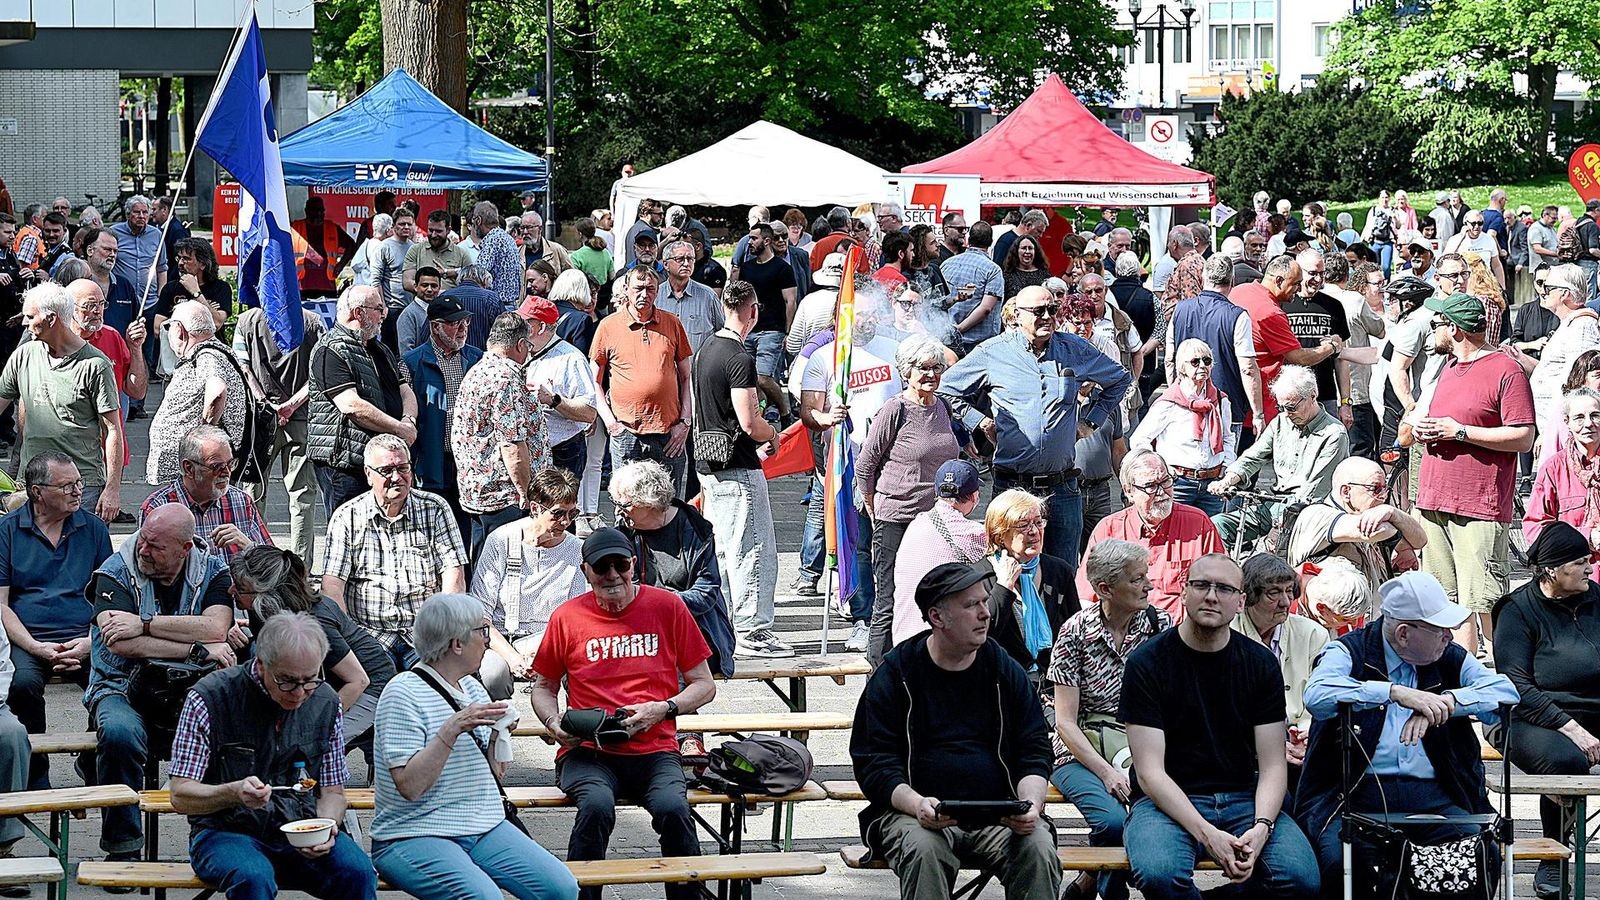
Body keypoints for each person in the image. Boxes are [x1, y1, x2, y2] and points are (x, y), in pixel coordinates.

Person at [1299, 572, 1518, 899]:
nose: (1449, 635)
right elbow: (1317, 695)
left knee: (1477, 848)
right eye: (1439, 629)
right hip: (1353, 792)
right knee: (1337, 859)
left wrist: (1447, 702)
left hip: (1437, 792)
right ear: (1403, 633)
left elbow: (1506, 693)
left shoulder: (1450, 656)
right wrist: (1394, 693)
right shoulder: (1350, 650)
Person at [850, 562, 1060, 900]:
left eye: (984, 601)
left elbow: (1034, 750)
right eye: (970, 605)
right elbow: (874, 764)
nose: (985, 613)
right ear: (937, 617)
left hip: (999, 814)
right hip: (915, 815)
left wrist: (1030, 804)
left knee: (1036, 844)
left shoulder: (1004, 668)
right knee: (924, 847)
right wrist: (917, 803)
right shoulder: (897, 673)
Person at [1119, 553, 1321, 899]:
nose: (1212, 596)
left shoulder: (1260, 664)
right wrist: (1207, 834)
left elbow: (1274, 765)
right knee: (1160, 875)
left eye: (1225, 589)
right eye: (1201, 585)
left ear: (1241, 601)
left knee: (1300, 879)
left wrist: (1262, 827)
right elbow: (1150, 774)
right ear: (1184, 592)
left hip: (1245, 796)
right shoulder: (1147, 662)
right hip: (1167, 801)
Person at [529, 528, 715, 900]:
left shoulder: (668, 606)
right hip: (587, 750)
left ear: (634, 565)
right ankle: (581, 896)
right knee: (596, 808)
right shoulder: (566, 617)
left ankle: (687, 897)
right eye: (602, 567)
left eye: (620, 564)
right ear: (586, 571)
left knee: (674, 809)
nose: (612, 574)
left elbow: (704, 685)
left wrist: (663, 708)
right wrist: (553, 725)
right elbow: (543, 686)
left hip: (654, 747)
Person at [370, 594, 578, 900]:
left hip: (481, 824)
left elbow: (496, 773)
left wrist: (499, 734)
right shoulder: (402, 693)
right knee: (484, 898)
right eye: (482, 632)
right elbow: (410, 787)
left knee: (561, 888)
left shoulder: (471, 687)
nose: (487, 641)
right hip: (413, 832)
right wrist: (451, 729)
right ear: (457, 644)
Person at [169, 613, 377, 900]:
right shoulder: (210, 698)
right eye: (288, 681)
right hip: (226, 832)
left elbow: (332, 792)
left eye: (310, 680)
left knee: (359, 871)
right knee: (253, 877)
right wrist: (231, 793)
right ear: (261, 664)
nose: (301, 693)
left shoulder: (326, 701)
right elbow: (180, 795)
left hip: (300, 828)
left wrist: (326, 827)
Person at [85, 504, 236, 866]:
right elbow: (119, 642)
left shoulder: (214, 570)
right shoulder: (115, 570)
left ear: (185, 549)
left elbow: (216, 626)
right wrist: (197, 648)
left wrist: (145, 623)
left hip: (191, 688)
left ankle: (219, 839)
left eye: (156, 546)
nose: (143, 550)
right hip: (119, 684)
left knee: (232, 731)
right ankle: (123, 848)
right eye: (144, 540)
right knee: (120, 733)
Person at [941, 286, 1132, 568]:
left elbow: (1119, 378)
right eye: (1038, 311)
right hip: (1012, 486)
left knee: (1062, 575)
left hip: (1063, 488)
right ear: (1017, 315)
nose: (1047, 317)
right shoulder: (994, 352)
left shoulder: (1074, 349)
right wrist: (979, 422)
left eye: (1052, 310)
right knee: (1011, 572)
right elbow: (947, 389)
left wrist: (1091, 420)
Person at [1410, 291, 1535, 656]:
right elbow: (1443, 420)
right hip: (1435, 497)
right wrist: (1425, 430)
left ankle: (1508, 674)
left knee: (1481, 598)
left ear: (1455, 329)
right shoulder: (1448, 368)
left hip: (1478, 504)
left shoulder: (1505, 370)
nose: (1433, 328)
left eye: (1438, 323)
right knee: (1444, 599)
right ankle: (1460, 675)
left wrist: (1459, 432)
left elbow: (1524, 437)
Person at [1049, 539, 1171, 900]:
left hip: (1140, 744)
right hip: (1080, 749)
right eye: (1137, 580)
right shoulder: (1076, 632)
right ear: (1105, 589)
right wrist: (1107, 772)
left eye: (1146, 576)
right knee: (1114, 821)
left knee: (1156, 817)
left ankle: (1088, 882)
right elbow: (1065, 722)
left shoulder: (1158, 624)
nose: (1149, 585)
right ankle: (1111, 892)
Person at [1492, 522, 1600, 897]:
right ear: (1553, 568)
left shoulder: (1596, 599)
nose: (1591, 568)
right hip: (1532, 717)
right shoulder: (1517, 611)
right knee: (1567, 760)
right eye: (1582, 562)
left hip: (1593, 711)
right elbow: (1515, 686)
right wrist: (1571, 727)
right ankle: (1554, 855)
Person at [0, 452, 112, 789]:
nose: (78, 491)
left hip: (84, 634)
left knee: (115, 681)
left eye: (79, 482)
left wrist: (89, 642)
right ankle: (35, 778)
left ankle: (94, 763)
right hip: (28, 636)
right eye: (66, 486)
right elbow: (1, 605)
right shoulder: (7, 531)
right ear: (37, 492)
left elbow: (110, 600)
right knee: (20, 685)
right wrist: (35, 646)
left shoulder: (93, 528)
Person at [690, 281, 787, 659]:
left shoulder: (705, 350)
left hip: (708, 462)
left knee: (725, 549)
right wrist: (774, 433)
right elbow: (750, 421)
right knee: (751, 547)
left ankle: (730, 624)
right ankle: (752, 630)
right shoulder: (738, 357)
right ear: (753, 311)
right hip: (737, 466)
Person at [857, 336, 964, 663]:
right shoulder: (895, 409)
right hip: (897, 518)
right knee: (889, 600)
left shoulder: (943, 406)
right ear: (906, 371)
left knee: (935, 597)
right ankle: (879, 678)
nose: (930, 374)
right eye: (923, 368)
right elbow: (865, 465)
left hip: (936, 522)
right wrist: (874, 506)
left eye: (936, 368)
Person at [321, 435, 468, 671]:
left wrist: (442, 629)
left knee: (436, 690)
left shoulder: (435, 508)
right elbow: (332, 588)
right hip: (368, 636)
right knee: (377, 688)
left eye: (403, 468)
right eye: (386, 470)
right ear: (369, 474)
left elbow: (454, 576)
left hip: (424, 635)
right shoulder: (346, 517)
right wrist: (351, 641)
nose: (396, 477)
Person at [230, 546, 391, 746]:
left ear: (266, 594)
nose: (231, 591)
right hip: (330, 683)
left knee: (312, 745)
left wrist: (313, 723)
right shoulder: (261, 610)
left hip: (371, 688)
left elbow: (358, 681)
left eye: (239, 587)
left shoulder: (316, 622)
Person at [0, 283, 124, 520]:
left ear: (51, 318)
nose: (24, 323)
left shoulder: (95, 365)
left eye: (29, 316)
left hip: (79, 488)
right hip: (32, 486)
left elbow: (112, 430)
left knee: (78, 554)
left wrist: (112, 489)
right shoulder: (24, 355)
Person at [609, 460, 736, 680]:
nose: (618, 511)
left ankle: (671, 710)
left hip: (698, 630)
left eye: (625, 505)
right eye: (616, 503)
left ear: (648, 504)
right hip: (640, 631)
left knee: (663, 662)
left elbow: (706, 593)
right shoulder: (624, 532)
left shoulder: (695, 530)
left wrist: (659, 603)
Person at [471, 467, 587, 700]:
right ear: (535, 508)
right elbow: (480, 614)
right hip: (500, 640)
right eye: (557, 514)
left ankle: (573, 730)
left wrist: (548, 648)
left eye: (572, 514)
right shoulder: (501, 540)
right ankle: (497, 732)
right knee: (493, 675)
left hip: (552, 642)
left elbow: (578, 615)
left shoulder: (577, 550)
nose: (565, 522)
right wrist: (513, 659)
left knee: (582, 672)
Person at [1210, 365, 1349, 549]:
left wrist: (1279, 525)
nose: (1286, 414)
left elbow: (1313, 491)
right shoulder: (1281, 422)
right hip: (1275, 504)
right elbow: (1253, 457)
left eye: (1291, 407)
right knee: (1217, 525)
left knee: (1274, 557)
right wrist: (1228, 480)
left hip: (1310, 513)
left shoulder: (1334, 434)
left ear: (1313, 396)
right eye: (1281, 407)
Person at [308, 286, 419, 516]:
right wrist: (399, 429)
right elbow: (351, 406)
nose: (384, 314)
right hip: (346, 464)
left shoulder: (380, 349)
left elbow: (405, 390)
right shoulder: (330, 349)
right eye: (379, 308)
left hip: (381, 460)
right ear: (358, 313)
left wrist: (409, 421)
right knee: (349, 533)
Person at [1078, 450, 1223, 621]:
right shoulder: (1109, 530)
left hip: (1182, 637)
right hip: (1127, 637)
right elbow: (1086, 597)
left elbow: (1221, 585)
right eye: (1151, 486)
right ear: (1129, 491)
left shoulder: (1198, 524)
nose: (1162, 492)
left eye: (1166, 481)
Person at [451, 312, 550, 558]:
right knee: (502, 571)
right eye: (528, 345)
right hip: (504, 498)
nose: (528, 352)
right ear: (519, 345)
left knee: (484, 566)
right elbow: (512, 445)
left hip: (481, 492)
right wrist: (527, 493)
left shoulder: (478, 371)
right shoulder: (506, 379)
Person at [233, 303, 324, 563]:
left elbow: (242, 366)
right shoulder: (313, 322)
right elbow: (320, 371)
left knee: (253, 491)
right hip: (301, 418)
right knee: (303, 494)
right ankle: (300, 566)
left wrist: (266, 401)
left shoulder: (247, 321)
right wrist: (292, 404)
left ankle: (254, 559)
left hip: (262, 420)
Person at [591, 267, 693, 496]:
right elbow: (594, 381)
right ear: (626, 290)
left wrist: (685, 422)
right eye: (638, 288)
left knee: (669, 504)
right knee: (626, 504)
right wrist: (611, 424)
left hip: (669, 433)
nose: (644, 294)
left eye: (650, 289)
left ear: (657, 292)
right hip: (626, 432)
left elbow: (687, 376)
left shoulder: (672, 323)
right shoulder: (608, 326)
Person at [1236, 554, 1328, 791]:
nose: (1286, 602)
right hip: (1244, 749)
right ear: (1249, 596)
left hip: (1302, 743)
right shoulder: (1226, 633)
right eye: (1273, 593)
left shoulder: (1313, 634)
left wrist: (1309, 733)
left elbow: (1324, 696)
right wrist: (1269, 744)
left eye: (1289, 591)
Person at [1288, 456, 1428, 600]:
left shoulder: (1368, 514)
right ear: (1346, 492)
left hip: (1364, 616)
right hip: (1331, 617)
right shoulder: (1317, 515)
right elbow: (1379, 531)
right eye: (1375, 489)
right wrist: (1389, 516)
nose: (1384, 496)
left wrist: (1394, 513)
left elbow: (1420, 540)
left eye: (1385, 488)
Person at [401, 297, 482, 545]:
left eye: (465, 322)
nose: (462, 328)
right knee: (431, 531)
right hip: (431, 459)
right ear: (435, 326)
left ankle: (466, 582)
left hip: (470, 461)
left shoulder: (477, 359)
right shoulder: (411, 362)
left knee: (468, 531)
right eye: (454, 323)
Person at [1230, 255, 1343, 425]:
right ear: (1279, 280)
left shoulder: (1240, 291)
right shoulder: (1270, 312)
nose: (1298, 289)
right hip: (1261, 405)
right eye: (1296, 283)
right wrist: (1332, 347)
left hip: (1233, 396)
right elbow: (1299, 358)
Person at [890, 460, 987, 653]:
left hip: (902, 637)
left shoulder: (917, 523)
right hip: (937, 641)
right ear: (974, 496)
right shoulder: (972, 534)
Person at [1132, 338, 1237, 515]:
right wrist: (1162, 467)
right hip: (1179, 484)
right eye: (1195, 362)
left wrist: (1227, 465)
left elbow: (1228, 437)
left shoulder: (1220, 400)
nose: (1202, 366)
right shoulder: (1169, 401)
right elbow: (1139, 439)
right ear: (1182, 367)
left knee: (1210, 536)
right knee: (1176, 536)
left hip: (1213, 484)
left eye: (1207, 361)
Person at [141, 425, 273, 561]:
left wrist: (248, 546)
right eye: (217, 466)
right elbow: (150, 569)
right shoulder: (158, 508)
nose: (227, 472)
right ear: (189, 468)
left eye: (230, 464)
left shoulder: (241, 501)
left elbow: (274, 566)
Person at [982, 489, 1078, 675]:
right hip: (1004, 682)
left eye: (1038, 522)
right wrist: (1004, 587)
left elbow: (1073, 630)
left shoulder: (1058, 571)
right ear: (999, 534)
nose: (1034, 532)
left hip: (1052, 681)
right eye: (1023, 525)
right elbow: (982, 636)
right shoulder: (980, 577)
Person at [1168, 253, 1264, 436]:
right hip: (1226, 406)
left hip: (1187, 402)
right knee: (1225, 462)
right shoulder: (1238, 316)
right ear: (1232, 281)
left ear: (1203, 277)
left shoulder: (1179, 310)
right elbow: (1248, 368)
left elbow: (1170, 359)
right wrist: (1258, 414)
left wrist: (1173, 395)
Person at [1529, 264, 1600, 461]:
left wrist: (1552, 432)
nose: (1542, 291)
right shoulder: (1571, 324)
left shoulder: (1582, 327)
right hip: (1558, 428)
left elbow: (1579, 384)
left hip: (1565, 432)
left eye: (1548, 286)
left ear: (1564, 293)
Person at [1525, 388, 1600, 553]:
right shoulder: (1554, 468)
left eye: (1595, 415)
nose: (1588, 423)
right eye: (1579, 417)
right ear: (1567, 422)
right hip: (1574, 570)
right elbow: (1535, 527)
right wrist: (1587, 537)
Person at [395, 266, 447, 356]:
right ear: (415, 287)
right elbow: (406, 353)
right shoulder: (408, 315)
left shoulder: (443, 311)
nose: (429, 289)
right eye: (425, 285)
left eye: (434, 286)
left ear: (439, 288)